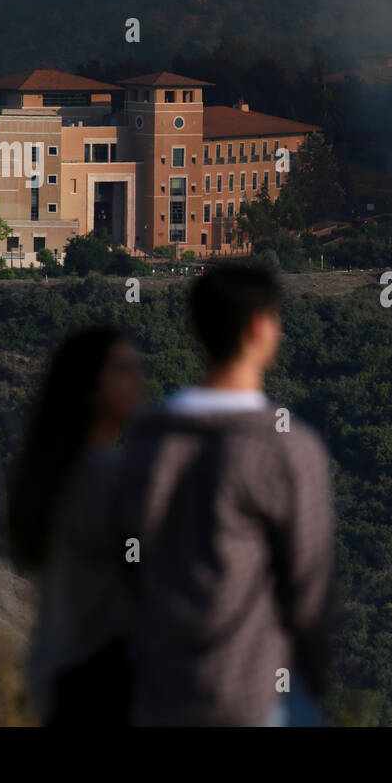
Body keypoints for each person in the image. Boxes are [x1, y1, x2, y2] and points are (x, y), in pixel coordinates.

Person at [115, 261, 334, 726]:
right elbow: (309, 588)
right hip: (254, 697)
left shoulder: (143, 440)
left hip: (158, 694)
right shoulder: (288, 449)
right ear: (260, 327)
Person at [9, 327, 146, 726]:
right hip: (103, 685)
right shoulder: (104, 476)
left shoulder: (56, 473)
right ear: (90, 389)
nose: (139, 379)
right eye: (123, 370)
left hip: (60, 678)